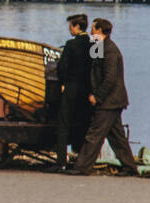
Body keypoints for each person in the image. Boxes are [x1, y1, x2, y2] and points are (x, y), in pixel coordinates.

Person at [66, 18, 139, 176]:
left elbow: (110, 78)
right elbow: (91, 67)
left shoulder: (111, 51)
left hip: (109, 101)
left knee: (94, 134)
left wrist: (97, 97)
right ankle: (130, 167)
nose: (91, 31)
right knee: (117, 137)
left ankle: (82, 167)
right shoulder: (99, 45)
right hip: (110, 100)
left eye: (93, 29)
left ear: (100, 30)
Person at [54, 14, 93, 170]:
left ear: (77, 27)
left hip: (71, 88)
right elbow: (97, 67)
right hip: (87, 91)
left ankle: (61, 162)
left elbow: (61, 68)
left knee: (63, 124)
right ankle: (82, 160)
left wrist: (63, 83)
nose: (70, 29)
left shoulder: (70, 44)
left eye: (71, 26)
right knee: (84, 123)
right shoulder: (95, 44)